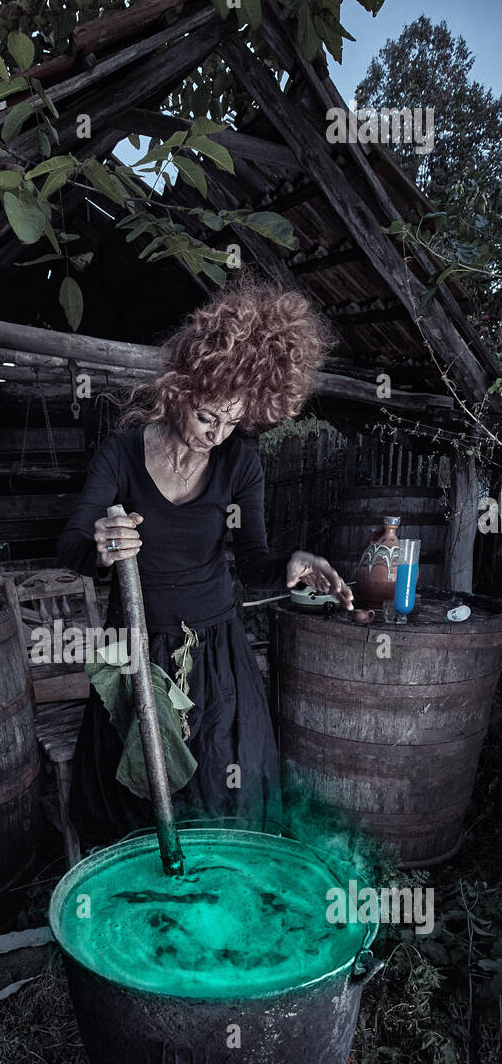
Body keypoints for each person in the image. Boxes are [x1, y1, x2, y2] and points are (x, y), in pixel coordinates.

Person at [56, 276, 353, 847]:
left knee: (223, 789)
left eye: (231, 423)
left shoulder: (239, 464)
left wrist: (290, 562)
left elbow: (255, 560)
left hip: (216, 653)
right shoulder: (120, 454)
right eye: (206, 417)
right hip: (138, 649)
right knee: (140, 791)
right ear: (179, 391)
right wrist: (101, 541)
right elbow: (70, 544)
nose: (215, 435)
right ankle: (149, 907)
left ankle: (217, 902)